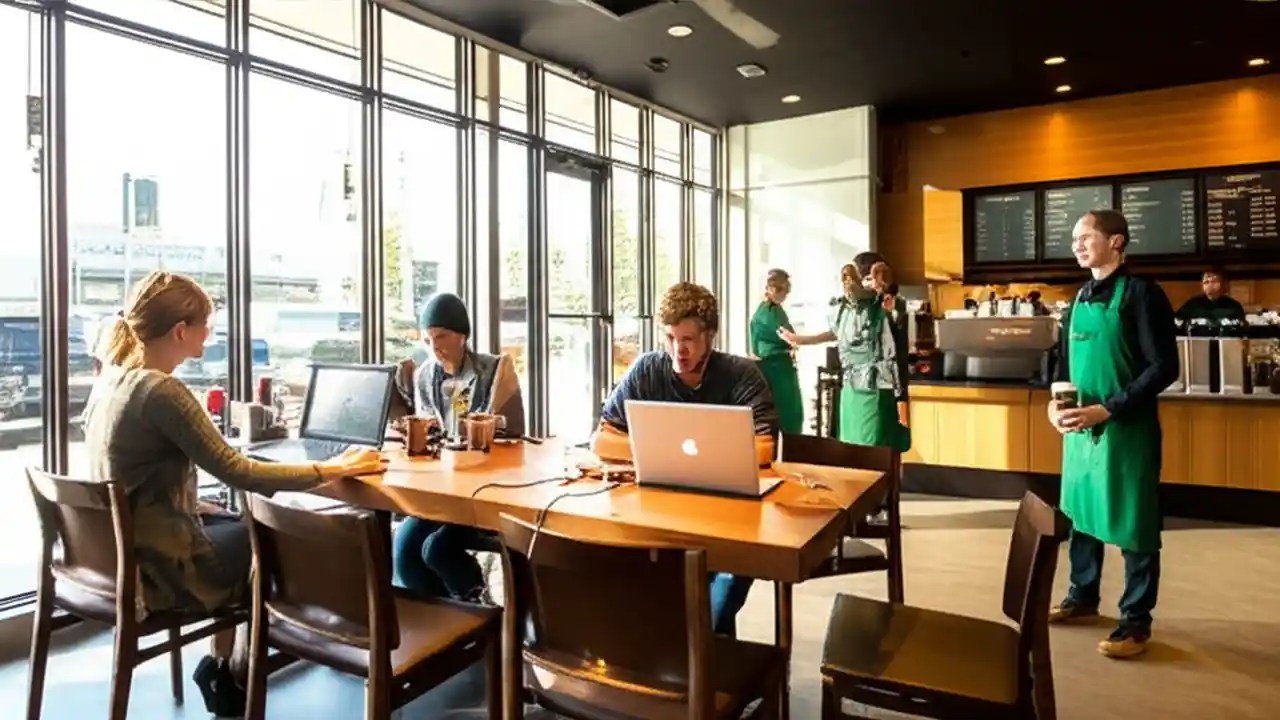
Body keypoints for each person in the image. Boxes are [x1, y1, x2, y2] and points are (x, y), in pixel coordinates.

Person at [82, 271, 384, 714]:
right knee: (267, 539)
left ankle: (221, 665)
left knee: (236, 524)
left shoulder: (113, 380)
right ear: (181, 331)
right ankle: (242, 673)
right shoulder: (161, 389)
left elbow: (129, 479)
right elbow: (239, 471)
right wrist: (331, 468)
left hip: (121, 556)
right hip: (160, 572)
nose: (211, 331)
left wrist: (192, 504)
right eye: (206, 323)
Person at [591, 281, 778, 637]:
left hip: (732, 515)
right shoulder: (647, 369)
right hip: (662, 514)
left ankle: (707, 656)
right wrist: (657, 450)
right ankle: (685, 657)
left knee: (729, 578)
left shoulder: (741, 374)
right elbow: (603, 439)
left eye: (688, 340)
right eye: (671, 338)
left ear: (710, 335)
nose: (679, 350)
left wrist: (682, 455)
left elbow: (765, 448)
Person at [1047, 209, 1179, 659]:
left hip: (1128, 430)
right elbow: (1062, 368)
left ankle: (1136, 622)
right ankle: (1082, 597)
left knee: (1134, 522)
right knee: (1081, 514)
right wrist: (1055, 405)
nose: (1077, 245)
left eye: (1086, 237)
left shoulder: (1142, 295)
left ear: (1117, 242)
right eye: (1075, 239)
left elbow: (1164, 367)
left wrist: (1108, 409)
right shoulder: (1078, 298)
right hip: (1080, 431)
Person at [391, 292, 525, 603]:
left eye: (442, 336)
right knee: (404, 547)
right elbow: (427, 428)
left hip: (485, 486)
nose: (434, 346)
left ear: (462, 335)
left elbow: (516, 431)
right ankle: (439, 625)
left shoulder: (494, 370)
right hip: (443, 488)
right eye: (427, 339)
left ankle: (474, 605)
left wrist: (480, 428)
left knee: (436, 548)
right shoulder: (425, 376)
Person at [780, 253, 910, 452]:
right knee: (850, 449)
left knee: (875, 449)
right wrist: (801, 340)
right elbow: (835, 333)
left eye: (867, 279)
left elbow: (895, 316)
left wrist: (883, 287)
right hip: (850, 390)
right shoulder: (844, 309)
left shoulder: (884, 305)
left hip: (876, 389)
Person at [749, 269, 804, 434]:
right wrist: (796, 342)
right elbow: (787, 335)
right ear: (770, 288)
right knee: (786, 414)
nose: (785, 293)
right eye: (782, 289)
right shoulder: (768, 312)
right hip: (774, 369)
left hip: (778, 367)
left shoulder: (773, 310)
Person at [1175, 266, 1246, 324]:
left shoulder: (1234, 306)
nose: (1209, 285)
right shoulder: (1192, 304)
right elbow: (1177, 321)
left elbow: (1242, 327)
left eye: (1214, 281)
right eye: (1206, 282)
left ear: (1223, 284)